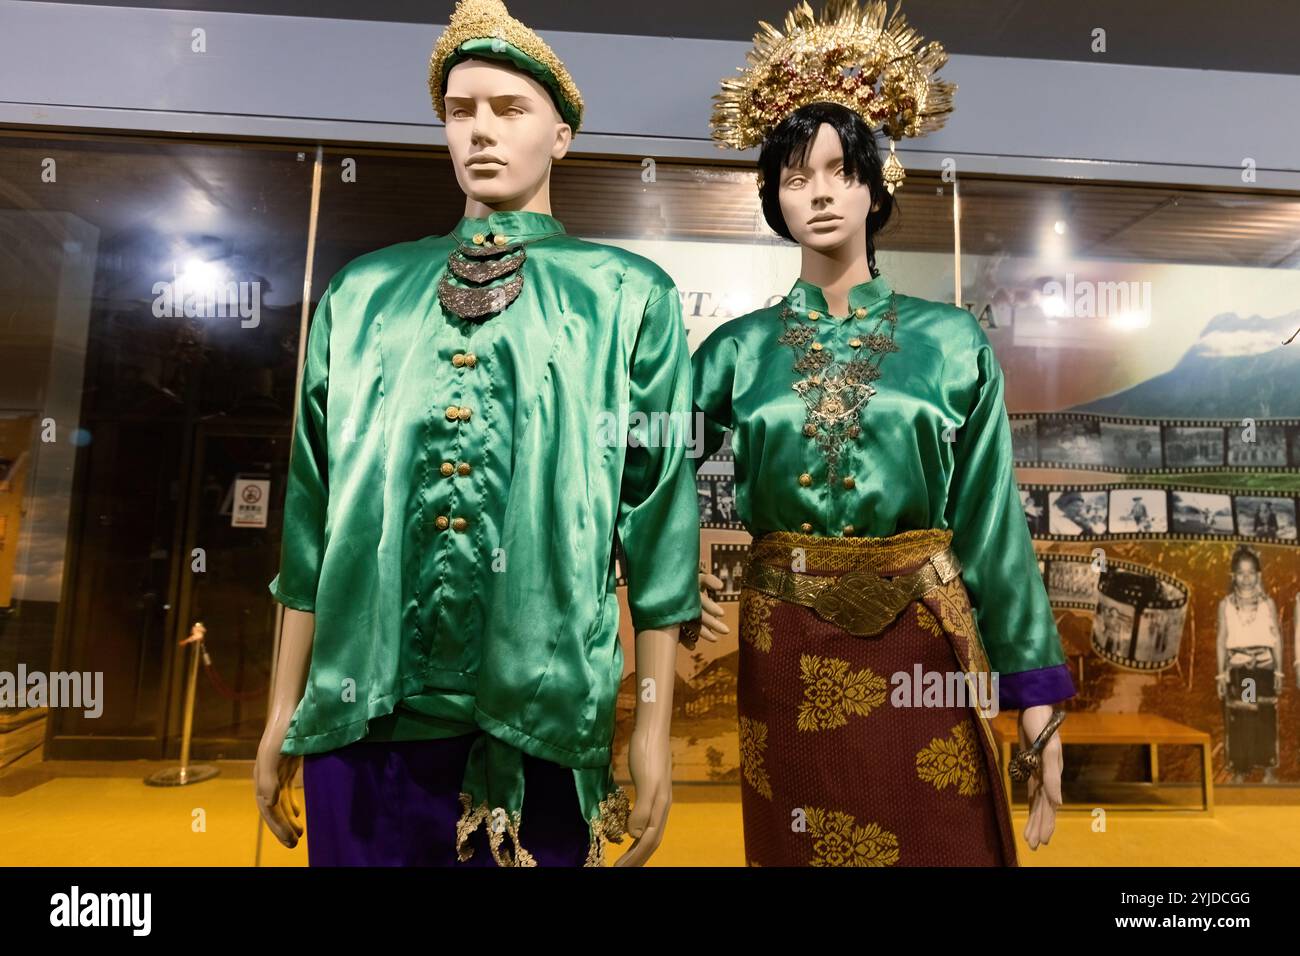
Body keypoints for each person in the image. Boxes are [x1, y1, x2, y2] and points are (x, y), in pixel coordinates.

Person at [254, 0, 700, 867]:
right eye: (461, 112)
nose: (481, 131)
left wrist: (650, 729)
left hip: (533, 722)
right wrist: (283, 711)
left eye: (510, 108)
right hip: (361, 712)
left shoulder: (626, 295)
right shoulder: (363, 294)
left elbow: (658, 531)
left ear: (562, 136)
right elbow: (311, 519)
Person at [687, 0, 1074, 867]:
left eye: (839, 169)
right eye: (794, 175)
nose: (819, 191)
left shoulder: (950, 343)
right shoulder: (734, 352)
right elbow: (645, 464)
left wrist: (1035, 690)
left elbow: (991, 524)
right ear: (772, 197)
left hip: (925, 641)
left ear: (876, 181)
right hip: (784, 647)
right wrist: (675, 589)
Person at [1216, 545, 1283, 783]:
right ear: (1233, 575)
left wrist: (1279, 670)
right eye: (1241, 573)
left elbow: (1275, 638)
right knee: (1245, 715)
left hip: (1263, 667)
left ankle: (1267, 769)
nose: (1246, 578)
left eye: (1251, 572)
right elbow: (1222, 639)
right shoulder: (1226, 605)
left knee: (1266, 715)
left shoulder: (1267, 604)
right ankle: (1242, 768)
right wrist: (1221, 675)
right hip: (1244, 669)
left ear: (1258, 575)